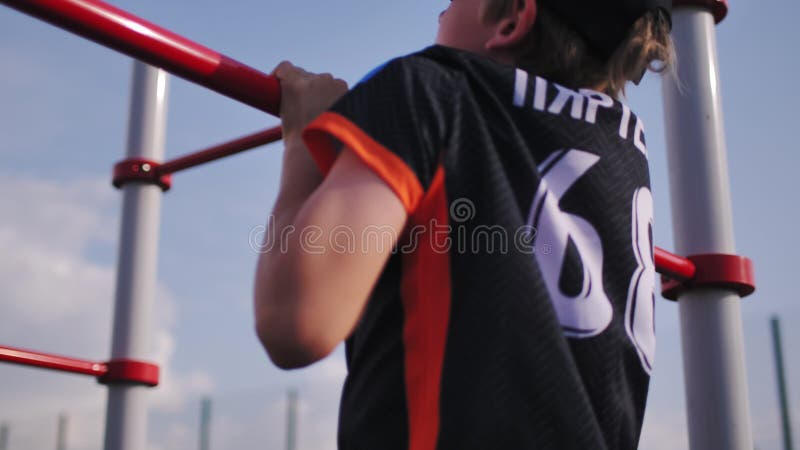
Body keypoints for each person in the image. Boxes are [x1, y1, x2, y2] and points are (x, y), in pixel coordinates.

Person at [254, 0, 674, 448]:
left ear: (512, 20)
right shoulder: (624, 156)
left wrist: (303, 138)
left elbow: (294, 321)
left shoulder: (429, 91)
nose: (439, 11)